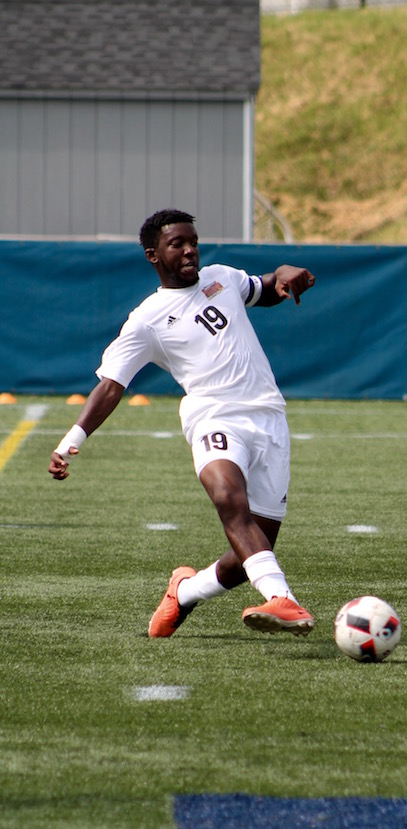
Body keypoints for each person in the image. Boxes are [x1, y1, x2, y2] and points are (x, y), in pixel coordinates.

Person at [49, 209, 316, 639]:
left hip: (269, 418)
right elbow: (111, 385)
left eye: (193, 240)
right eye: (178, 244)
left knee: (252, 550)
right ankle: (283, 599)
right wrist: (71, 440)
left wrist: (284, 274)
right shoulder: (148, 318)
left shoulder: (222, 277)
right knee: (230, 498)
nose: (190, 249)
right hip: (212, 415)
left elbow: (264, 289)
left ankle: (185, 591)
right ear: (154, 255)